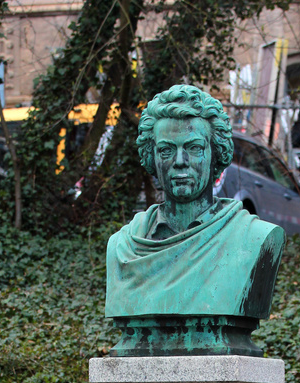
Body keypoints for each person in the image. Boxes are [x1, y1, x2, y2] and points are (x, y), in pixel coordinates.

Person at [105, 84, 285, 345]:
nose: (180, 160)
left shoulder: (255, 240)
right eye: (166, 150)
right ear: (151, 159)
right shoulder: (122, 249)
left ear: (216, 155)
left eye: (194, 148)